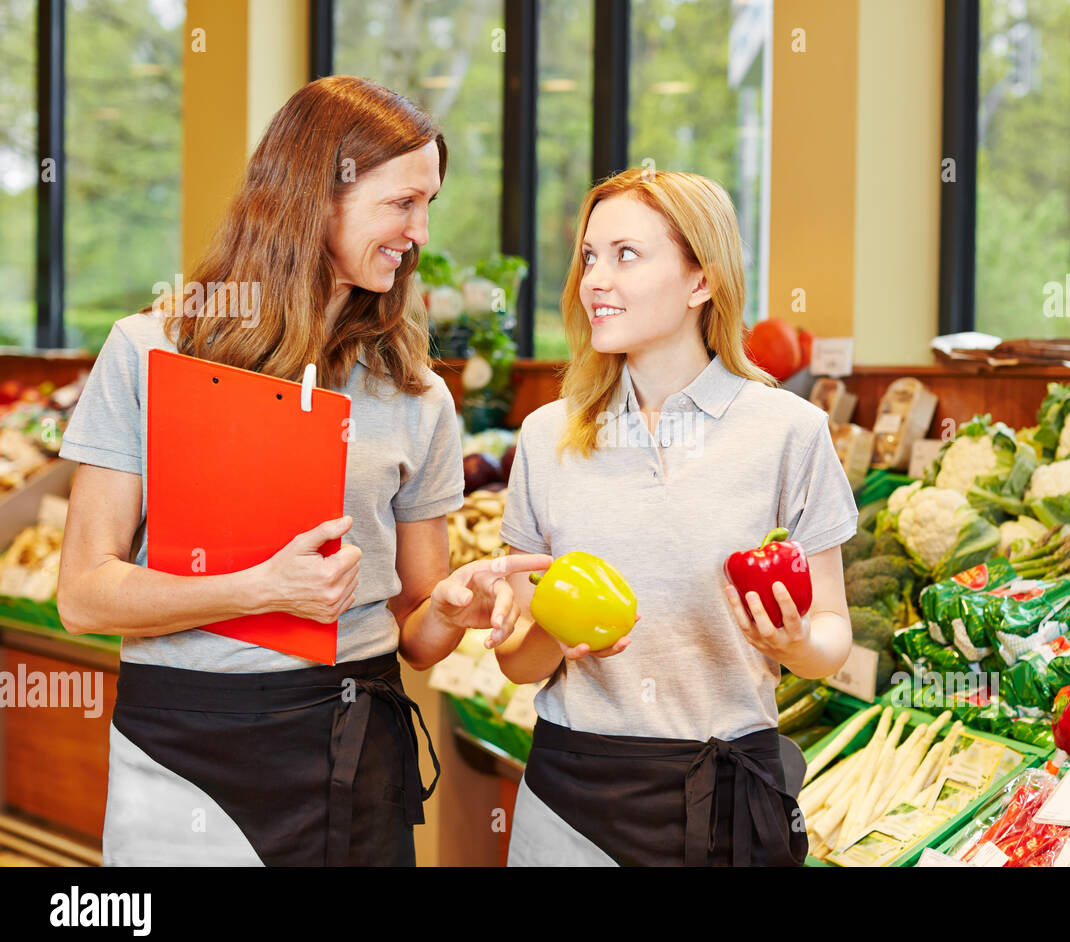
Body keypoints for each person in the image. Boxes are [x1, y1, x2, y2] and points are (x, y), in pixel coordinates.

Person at [55, 75, 548, 866]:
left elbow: (418, 634)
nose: (419, 232)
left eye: (429, 206)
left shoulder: (416, 395)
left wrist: (454, 609)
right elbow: (83, 595)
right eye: (403, 204)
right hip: (185, 749)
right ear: (319, 194)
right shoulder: (153, 353)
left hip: (356, 747)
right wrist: (261, 589)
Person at [488, 169, 858, 866]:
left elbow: (834, 631)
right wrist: (549, 635)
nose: (596, 278)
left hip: (727, 800)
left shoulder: (789, 432)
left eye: (626, 255)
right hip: (571, 803)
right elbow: (517, 662)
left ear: (701, 282)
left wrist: (795, 646)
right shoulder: (546, 435)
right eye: (589, 257)